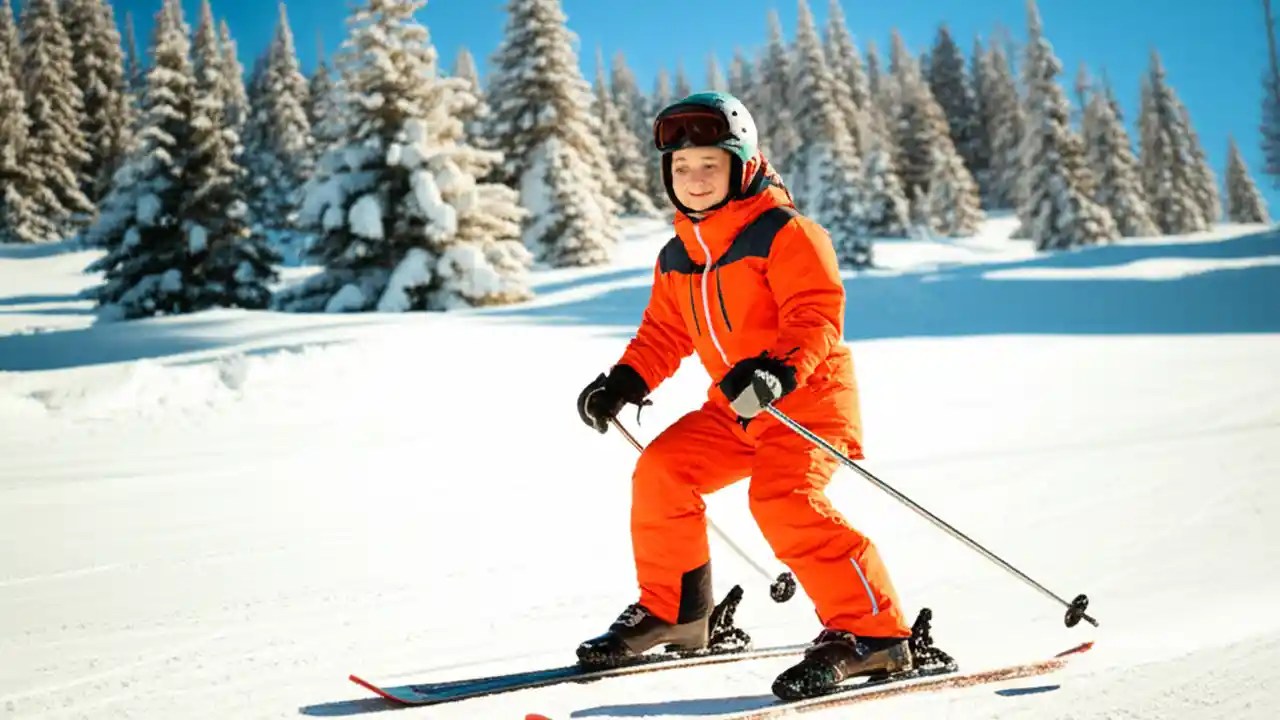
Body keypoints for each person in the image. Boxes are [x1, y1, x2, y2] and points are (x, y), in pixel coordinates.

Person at [573, 91, 914, 700]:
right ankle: (679, 614)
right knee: (663, 472)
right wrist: (626, 380)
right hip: (736, 411)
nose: (695, 179)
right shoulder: (678, 255)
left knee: (782, 499)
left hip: (806, 400)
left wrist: (778, 373)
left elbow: (815, 315)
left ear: (743, 164)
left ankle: (874, 635)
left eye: (709, 164)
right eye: (681, 168)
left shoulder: (786, 233)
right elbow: (664, 332)